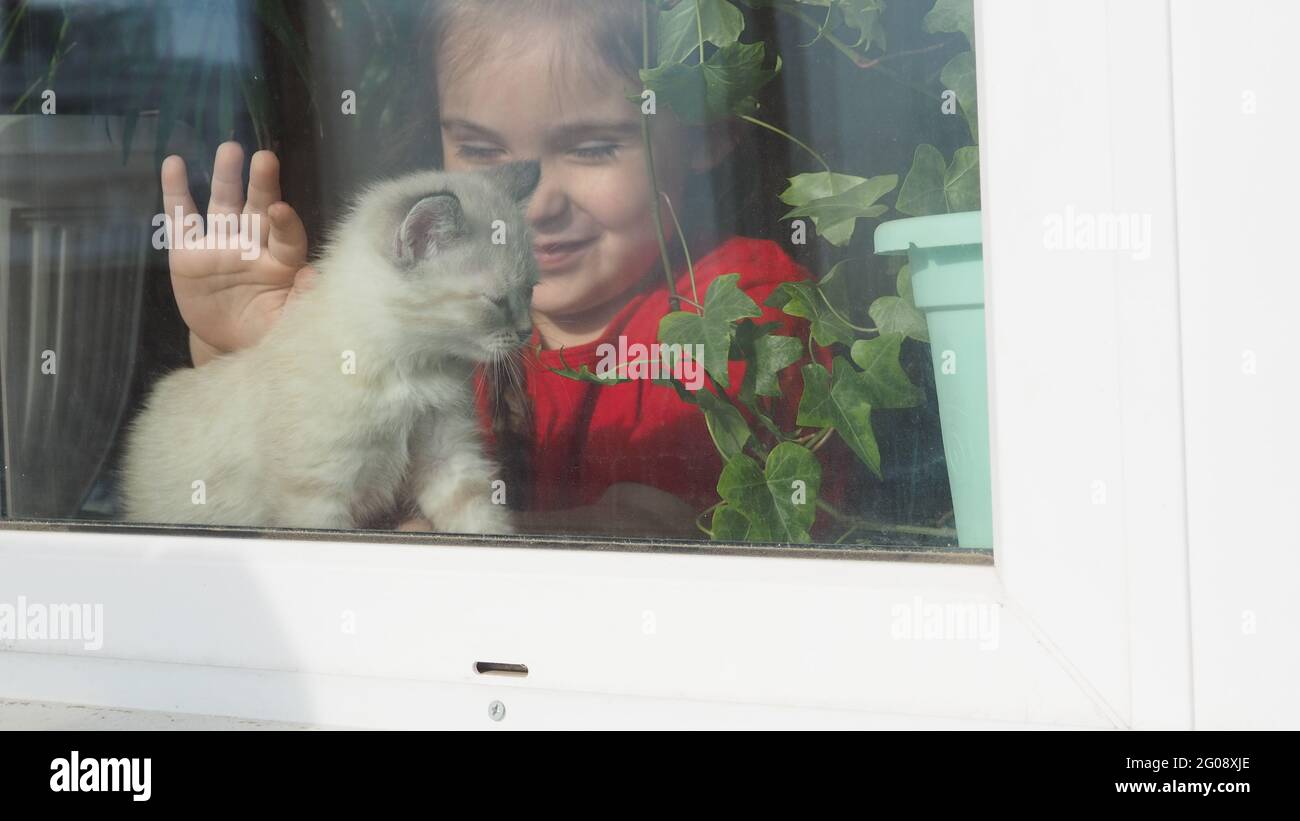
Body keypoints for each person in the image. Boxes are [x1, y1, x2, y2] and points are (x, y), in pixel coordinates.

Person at [159, 0, 830, 539]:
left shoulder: (745, 305)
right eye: (479, 148)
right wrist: (248, 347)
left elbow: (671, 529)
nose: (537, 204)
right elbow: (287, 462)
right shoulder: (440, 320)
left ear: (712, 134)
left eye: (594, 148)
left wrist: (451, 543)